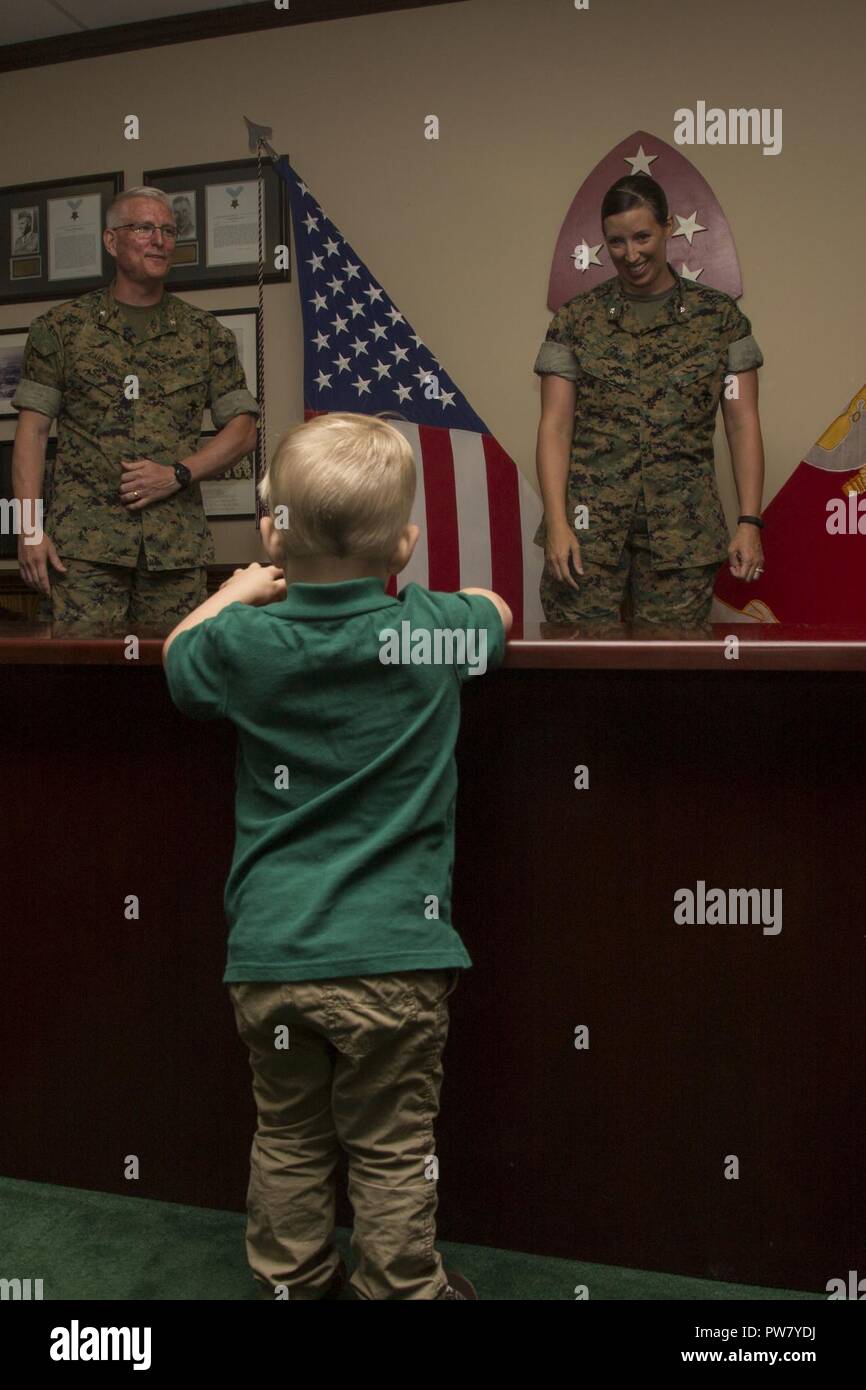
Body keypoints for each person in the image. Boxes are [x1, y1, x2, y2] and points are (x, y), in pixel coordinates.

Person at [162, 412, 513, 1300]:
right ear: (403, 542)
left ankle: (294, 1281)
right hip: (397, 957)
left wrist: (238, 588)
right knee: (393, 1145)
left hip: (276, 954)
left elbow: (177, 654)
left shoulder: (243, 643)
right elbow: (500, 612)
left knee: (287, 1135)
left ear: (274, 533)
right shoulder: (431, 632)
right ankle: (400, 1288)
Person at [11, 186, 259, 632]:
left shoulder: (205, 335)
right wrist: (28, 528)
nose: (159, 239)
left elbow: (243, 431)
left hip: (175, 552)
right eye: (144, 228)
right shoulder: (61, 329)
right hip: (83, 553)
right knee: (79, 686)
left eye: (168, 230)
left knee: (175, 683)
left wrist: (178, 473)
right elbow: (31, 433)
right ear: (111, 241)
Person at [533, 173, 766, 626]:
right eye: (616, 242)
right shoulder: (576, 321)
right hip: (587, 532)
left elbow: (743, 425)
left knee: (671, 680)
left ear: (668, 227)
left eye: (642, 237)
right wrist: (558, 523)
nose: (631, 254)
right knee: (579, 676)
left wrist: (749, 521)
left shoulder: (721, 320)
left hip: (683, 533)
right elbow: (555, 426)